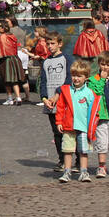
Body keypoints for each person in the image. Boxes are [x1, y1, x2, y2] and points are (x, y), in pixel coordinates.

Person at [56, 61, 99, 182]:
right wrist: (59, 121)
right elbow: (60, 107)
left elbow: (95, 110)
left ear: (86, 77)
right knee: (67, 150)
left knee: (83, 151)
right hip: (68, 126)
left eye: (79, 76)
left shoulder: (90, 93)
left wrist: (92, 126)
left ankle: (84, 172)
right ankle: (67, 172)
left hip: (83, 127)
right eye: (74, 75)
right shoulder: (66, 91)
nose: (76, 78)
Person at [40, 31, 68, 172]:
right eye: (48, 44)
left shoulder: (66, 59)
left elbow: (68, 80)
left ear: (60, 44)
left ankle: (74, 160)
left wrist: (57, 95)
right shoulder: (46, 61)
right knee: (57, 132)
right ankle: (62, 159)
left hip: (64, 101)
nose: (50, 46)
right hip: (51, 103)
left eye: (52, 43)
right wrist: (45, 98)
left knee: (69, 131)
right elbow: (43, 82)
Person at [0, 19, 26, 105]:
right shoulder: (12, 36)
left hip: (6, 60)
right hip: (15, 59)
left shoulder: (1, 37)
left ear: (2, 28)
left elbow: (0, 50)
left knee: (7, 80)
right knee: (15, 80)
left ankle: (10, 98)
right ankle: (18, 97)